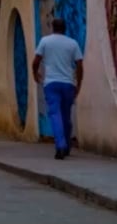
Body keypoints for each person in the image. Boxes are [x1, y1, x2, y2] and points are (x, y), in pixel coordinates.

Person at [32, 17, 84, 160]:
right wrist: (79, 83)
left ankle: (60, 145)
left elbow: (36, 61)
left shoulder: (45, 41)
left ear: (53, 27)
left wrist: (35, 74)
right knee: (66, 116)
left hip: (51, 83)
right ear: (65, 28)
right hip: (68, 84)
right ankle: (66, 145)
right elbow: (79, 64)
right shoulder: (72, 43)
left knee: (55, 114)